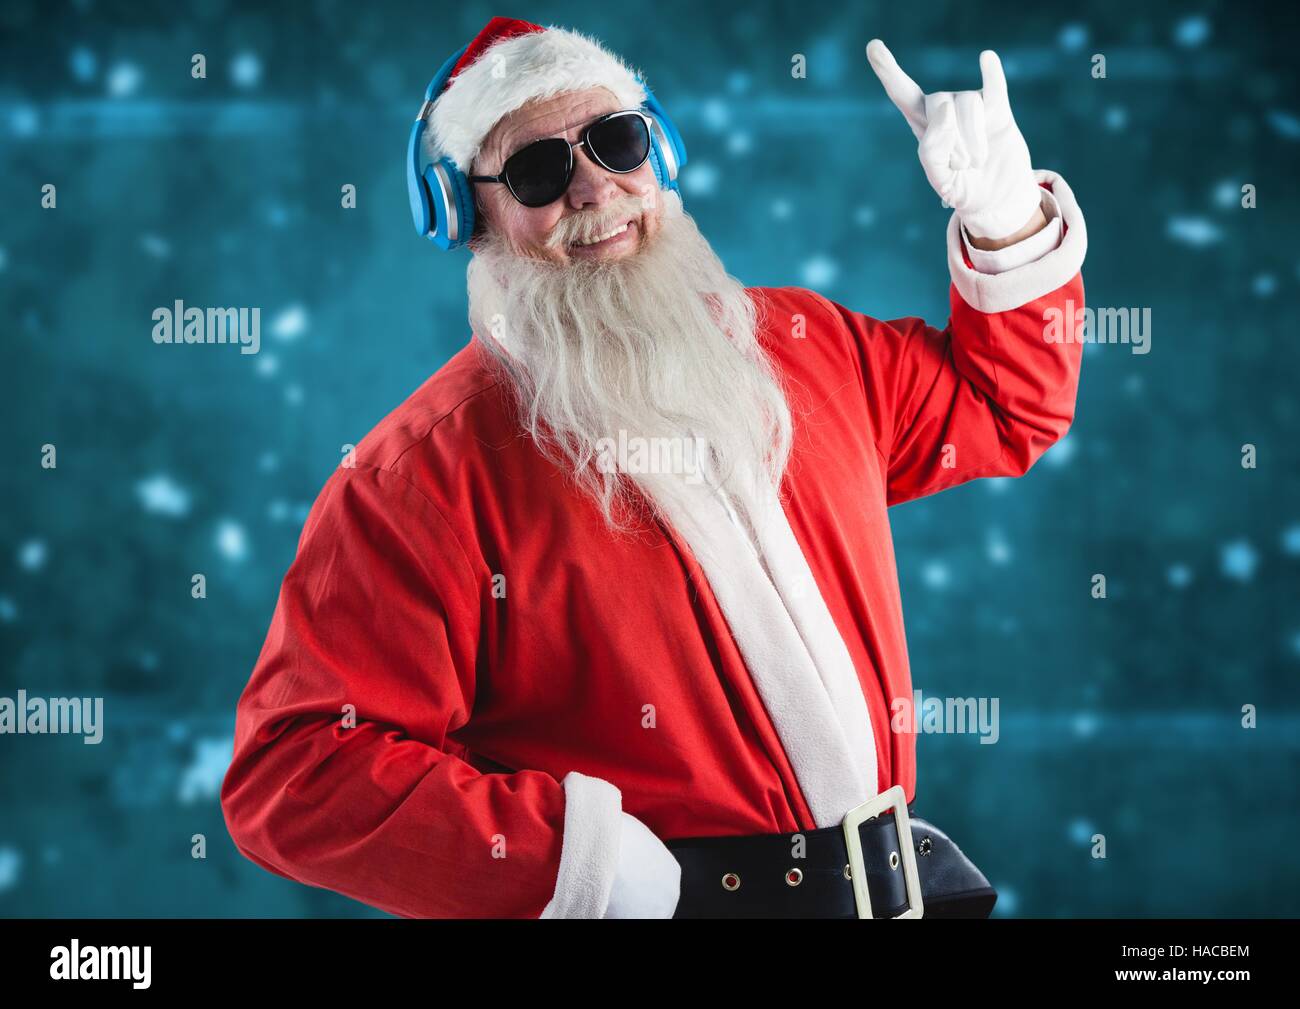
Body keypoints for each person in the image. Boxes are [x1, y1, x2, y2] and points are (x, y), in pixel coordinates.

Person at [220, 16, 1086, 918]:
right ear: (464, 214)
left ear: (659, 150)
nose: (595, 188)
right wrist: (587, 869)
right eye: (538, 171)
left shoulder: (806, 345)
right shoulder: (416, 480)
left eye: (616, 140)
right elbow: (296, 768)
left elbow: (1005, 408)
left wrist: (1003, 218)